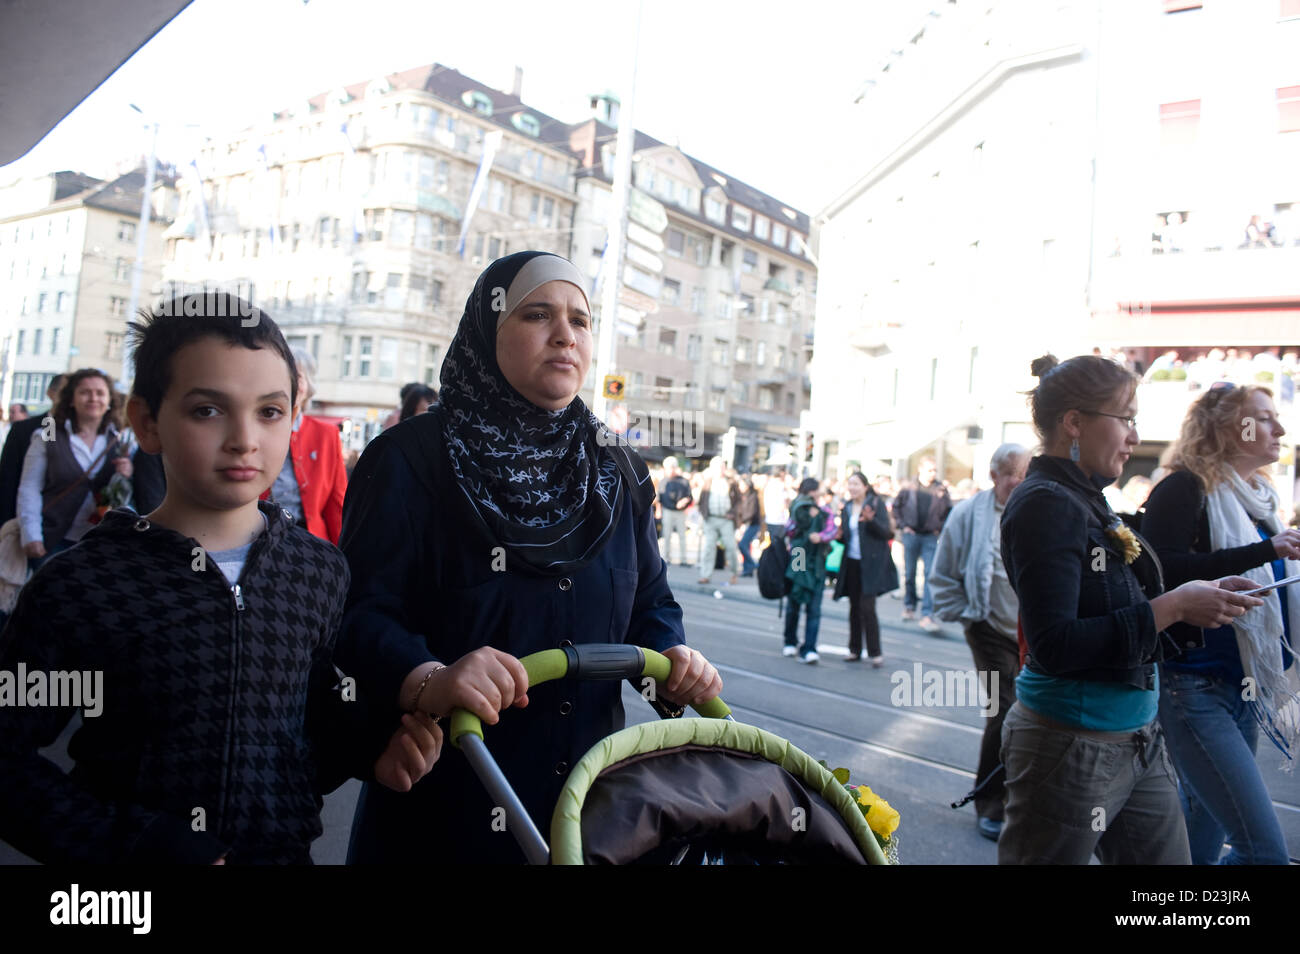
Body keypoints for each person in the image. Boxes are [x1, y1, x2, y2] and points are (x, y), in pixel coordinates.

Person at [0, 294, 437, 863]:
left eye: (269, 412)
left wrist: (369, 748)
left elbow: (301, 726)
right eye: (208, 410)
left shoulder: (319, 572)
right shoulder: (83, 584)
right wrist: (136, 843)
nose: (244, 439)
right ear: (146, 422)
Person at [333, 251, 721, 864]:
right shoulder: (411, 460)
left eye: (581, 321)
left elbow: (649, 602)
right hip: (446, 814)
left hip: (588, 821)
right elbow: (358, 618)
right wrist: (431, 677)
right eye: (538, 314)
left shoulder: (616, 467)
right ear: (488, 332)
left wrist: (672, 658)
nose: (566, 335)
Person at [998, 353, 1263, 865]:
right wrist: (1173, 607)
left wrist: (1194, 597)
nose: (1135, 438)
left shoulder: (1084, 497)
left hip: (1136, 735)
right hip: (1070, 745)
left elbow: (1118, 603)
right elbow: (1055, 645)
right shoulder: (1046, 502)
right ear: (1074, 422)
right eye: (1127, 419)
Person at [1142, 382, 1299, 864]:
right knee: (1263, 852)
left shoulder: (1258, 503)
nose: (1280, 428)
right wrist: (1266, 551)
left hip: (1241, 689)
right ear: (1230, 427)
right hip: (1192, 686)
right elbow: (1158, 570)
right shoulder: (1183, 487)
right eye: (1265, 417)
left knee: (1198, 842)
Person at [930, 443, 1029, 841]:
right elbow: (944, 570)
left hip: (1034, 632)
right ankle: (991, 803)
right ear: (995, 477)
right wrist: (965, 612)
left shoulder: (1037, 508)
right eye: (1013, 477)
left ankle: (1026, 800)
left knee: (1034, 716)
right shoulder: (968, 514)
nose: (1020, 484)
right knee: (1003, 713)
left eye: (1026, 475)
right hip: (987, 628)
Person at [16, 369, 133, 571]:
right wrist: (31, 534)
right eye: (85, 392)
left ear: (109, 401)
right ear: (71, 399)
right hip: (53, 539)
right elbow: (29, 487)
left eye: (99, 393)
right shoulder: (48, 436)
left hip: (101, 542)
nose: (93, 398)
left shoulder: (121, 441)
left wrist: (127, 473)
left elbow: (129, 494)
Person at [263, 348, 348, 545]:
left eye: (297, 376)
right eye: (283, 375)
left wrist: (343, 553)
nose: (289, 383)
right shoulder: (256, 430)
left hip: (309, 540)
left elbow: (337, 502)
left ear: (307, 384)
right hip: (260, 535)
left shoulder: (327, 435)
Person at [832, 472, 897, 667]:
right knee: (854, 607)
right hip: (852, 562)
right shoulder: (847, 508)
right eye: (850, 484)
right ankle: (854, 649)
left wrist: (871, 521)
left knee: (868, 607)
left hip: (872, 564)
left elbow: (887, 533)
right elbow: (847, 537)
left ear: (865, 487)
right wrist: (839, 536)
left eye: (856, 484)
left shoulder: (875, 505)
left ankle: (875, 652)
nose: (852, 488)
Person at [892, 456, 952, 632]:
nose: (933, 473)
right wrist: (903, 526)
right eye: (929, 470)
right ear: (920, 470)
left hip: (930, 536)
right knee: (909, 573)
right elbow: (896, 507)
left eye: (934, 470)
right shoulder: (909, 487)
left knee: (929, 573)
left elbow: (949, 512)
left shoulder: (940, 489)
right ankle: (909, 606)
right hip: (912, 534)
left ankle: (927, 614)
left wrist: (939, 528)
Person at [0, 375, 66, 524]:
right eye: (64, 391)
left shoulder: (86, 435)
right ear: (50, 393)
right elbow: (8, 478)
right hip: (22, 520)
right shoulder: (23, 430)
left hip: (65, 524)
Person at [784, 476, 831, 663]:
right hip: (807, 555)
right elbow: (789, 529)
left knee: (804, 601)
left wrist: (819, 536)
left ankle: (798, 644)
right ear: (814, 490)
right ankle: (800, 645)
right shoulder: (806, 507)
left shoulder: (820, 510)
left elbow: (831, 532)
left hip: (803, 555)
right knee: (804, 602)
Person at [696, 456, 739, 585]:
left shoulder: (731, 482)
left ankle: (734, 573)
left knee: (731, 547)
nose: (720, 469)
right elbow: (702, 500)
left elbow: (738, 501)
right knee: (709, 548)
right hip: (711, 518)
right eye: (718, 467)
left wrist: (733, 513)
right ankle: (705, 575)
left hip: (726, 519)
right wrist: (704, 514)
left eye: (722, 467)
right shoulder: (708, 482)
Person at [657, 455, 692, 566]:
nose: (670, 470)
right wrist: (659, 510)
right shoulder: (663, 481)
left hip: (680, 512)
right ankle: (666, 558)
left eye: (672, 467)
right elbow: (659, 498)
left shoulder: (684, 481)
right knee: (667, 535)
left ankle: (683, 559)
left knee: (682, 535)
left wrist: (685, 501)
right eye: (668, 467)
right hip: (667, 510)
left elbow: (690, 496)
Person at [735, 474, 763, 577]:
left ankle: (753, 564)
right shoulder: (744, 496)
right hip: (747, 524)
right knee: (745, 545)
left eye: (742, 485)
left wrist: (742, 522)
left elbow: (751, 512)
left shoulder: (752, 496)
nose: (740, 487)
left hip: (752, 524)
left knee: (742, 545)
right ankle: (747, 569)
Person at [763, 467, 789, 544]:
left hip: (770, 519)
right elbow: (784, 503)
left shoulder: (769, 485)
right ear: (782, 473)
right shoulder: (780, 485)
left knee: (773, 545)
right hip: (779, 520)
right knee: (779, 546)